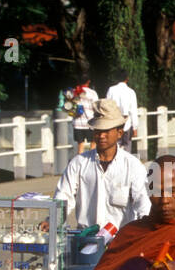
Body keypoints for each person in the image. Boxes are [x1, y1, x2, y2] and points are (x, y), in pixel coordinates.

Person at [54, 99, 150, 232]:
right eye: (98, 131)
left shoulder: (133, 166)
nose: (101, 136)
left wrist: (145, 231)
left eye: (106, 130)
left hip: (120, 241)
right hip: (86, 238)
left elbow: (143, 203)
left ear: (119, 133)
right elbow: (63, 196)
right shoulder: (78, 163)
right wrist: (53, 220)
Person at [105, 70, 140, 154]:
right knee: (127, 147)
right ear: (127, 79)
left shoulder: (111, 90)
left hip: (114, 123)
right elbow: (133, 111)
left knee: (114, 146)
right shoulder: (131, 92)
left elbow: (107, 106)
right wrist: (135, 127)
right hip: (127, 122)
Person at [69, 78, 100, 145]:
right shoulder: (92, 93)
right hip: (90, 123)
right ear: (88, 81)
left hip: (77, 123)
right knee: (93, 144)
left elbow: (69, 107)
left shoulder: (73, 92)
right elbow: (96, 107)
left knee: (80, 146)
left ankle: (80, 156)